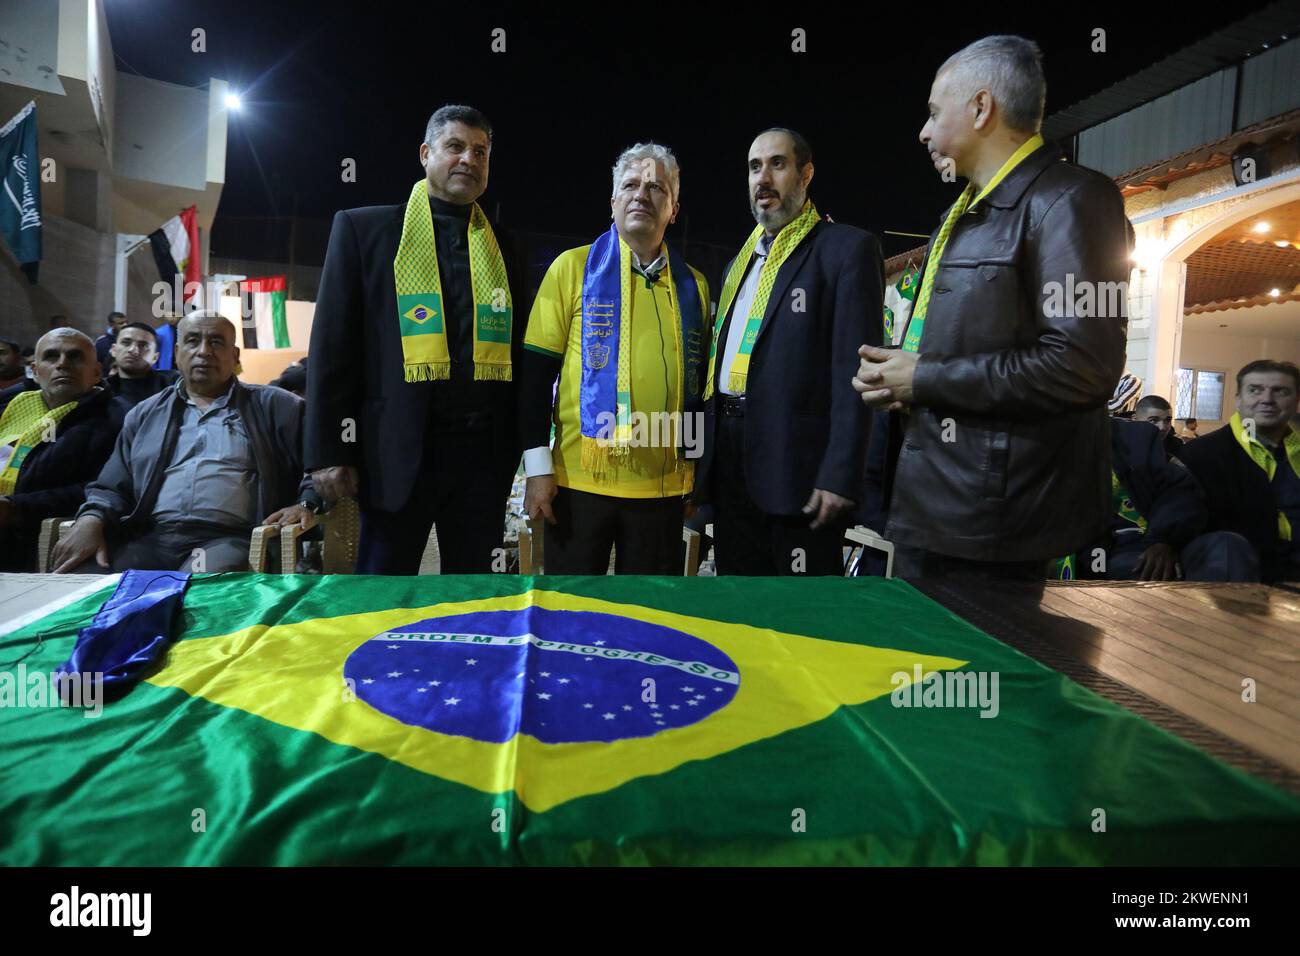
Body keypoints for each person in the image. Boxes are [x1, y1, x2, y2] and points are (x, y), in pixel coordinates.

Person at [853, 35, 1128, 588]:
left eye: (933, 112)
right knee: (922, 674)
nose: (924, 131)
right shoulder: (964, 213)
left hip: (996, 525)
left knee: (975, 676)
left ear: (981, 108)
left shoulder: (1073, 200)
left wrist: (924, 378)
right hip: (938, 506)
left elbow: (1084, 367)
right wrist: (900, 376)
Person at [305, 104, 528, 574]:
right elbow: (331, 350)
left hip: (480, 461)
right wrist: (328, 452)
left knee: (472, 596)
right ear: (426, 154)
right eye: (455, 147)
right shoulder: (364, 230)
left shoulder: (506, 247)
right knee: (383, 594)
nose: (469, 159)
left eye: (481, 151)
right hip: (395, 453)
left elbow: (521, 358)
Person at [691, 128, 882, 576]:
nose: (763, 178)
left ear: (806, 174)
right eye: (755, 167)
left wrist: (840, 473)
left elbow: (856, 375)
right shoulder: (742, 261)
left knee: (801, 619)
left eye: (778, 164)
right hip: (731, 465)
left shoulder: (845, 250)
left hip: (800, 474)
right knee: (743, 607)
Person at [520, 144, 710, 574]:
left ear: (674, 209)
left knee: (645, 622)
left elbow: (695, 388)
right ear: (613, 203)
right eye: (630, 185)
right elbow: (534, 381)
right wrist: (537, 472)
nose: (642, 194)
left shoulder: (694, 287)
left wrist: (694, 477)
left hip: (661, 494)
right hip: (578, 485)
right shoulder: (572, 268)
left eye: (656, 187)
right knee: (571, 616)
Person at [50, 311, 319, 574]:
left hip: (228, 539)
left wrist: (305, 503)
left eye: (215, 342)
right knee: (85, 581)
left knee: (196, 591)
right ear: (177, 353)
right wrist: (91, 519)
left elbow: (319, 466)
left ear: (234, 356)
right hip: (151, 538)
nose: (203, 351)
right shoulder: (145, 413)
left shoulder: (278, 406)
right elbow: (112, 484)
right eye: (192, 341)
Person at [0, 329, 123, 571]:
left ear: (97, 372)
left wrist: (16, 507)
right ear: (34, 371)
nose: (63, 364)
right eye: (51, 357)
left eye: (75, 357)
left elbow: (101, 489)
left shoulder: (115, 419)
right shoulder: (14, 406)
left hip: (23, 532)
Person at [1179, 360, 1300, 582]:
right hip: (1243, 569)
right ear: (1238, 400)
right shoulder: (1202, 454)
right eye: (1255, 390)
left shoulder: (1295, 450)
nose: (1267, 400)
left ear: (1296, 401)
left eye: (1280, 391)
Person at [105, 322, 178, 413]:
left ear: (155, 357)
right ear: (113, 350)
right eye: (126, 343)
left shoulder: (173, 385)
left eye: (143, 345)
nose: (133, 350)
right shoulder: (101, 391)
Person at [1135, 394, 1184, 460]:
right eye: (1153, 420)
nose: (1162, 427)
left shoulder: (1176, 446)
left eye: (1168, 420)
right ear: (1134, 419)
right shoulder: (1120, 442)